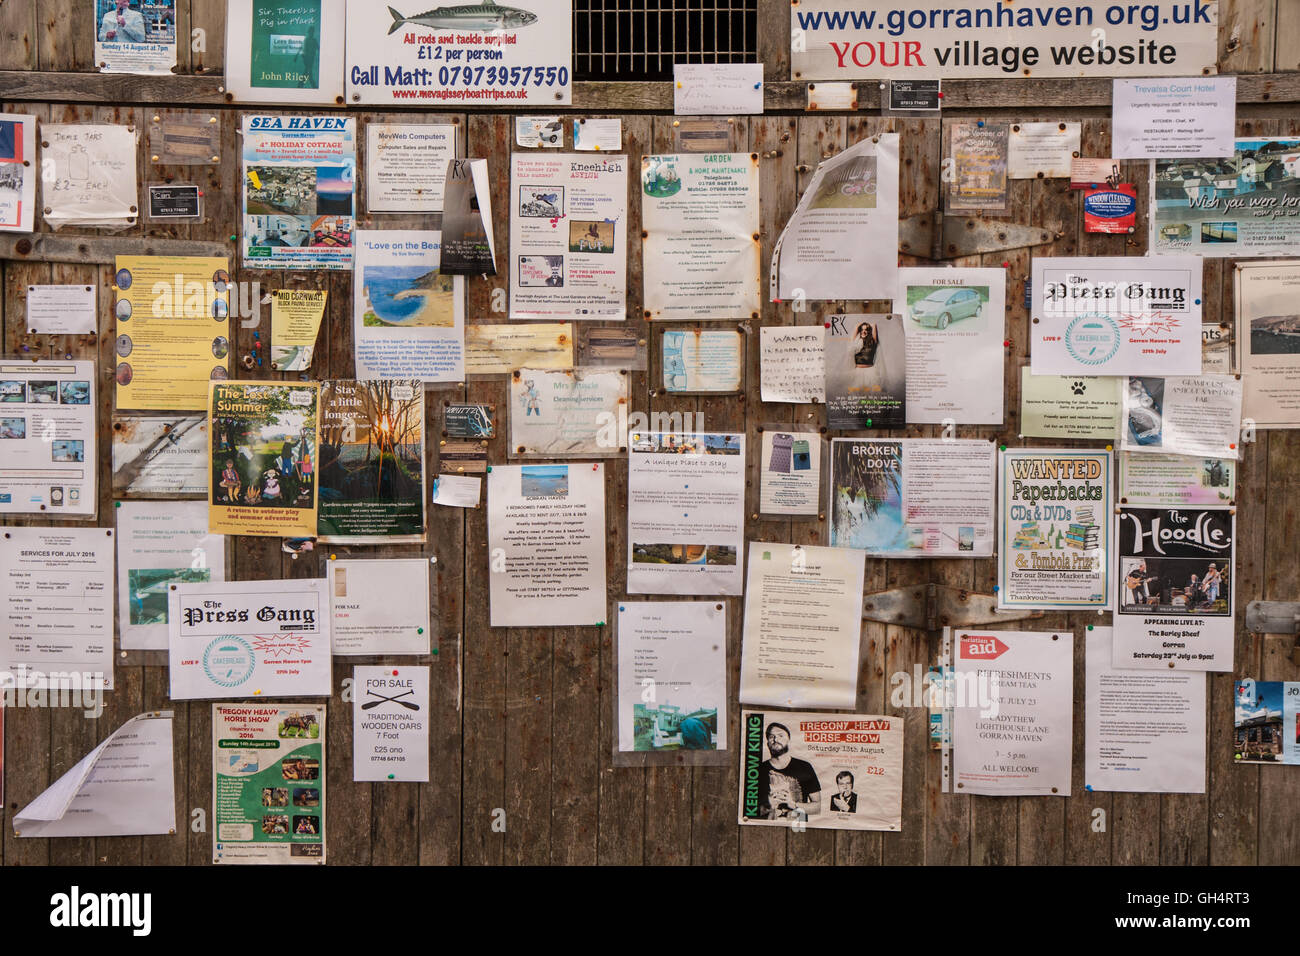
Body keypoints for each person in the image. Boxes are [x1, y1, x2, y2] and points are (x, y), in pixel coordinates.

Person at [758, 722, 821, 820]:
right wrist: (768, 805)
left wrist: (793, 804)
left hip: (797, 828)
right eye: (771, 737)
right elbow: (747, 809)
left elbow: (817, 807)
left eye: (780, 735)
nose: (776, 739)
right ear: (767, 743)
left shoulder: (804, 767)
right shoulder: (757, 770)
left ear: (789, 740)